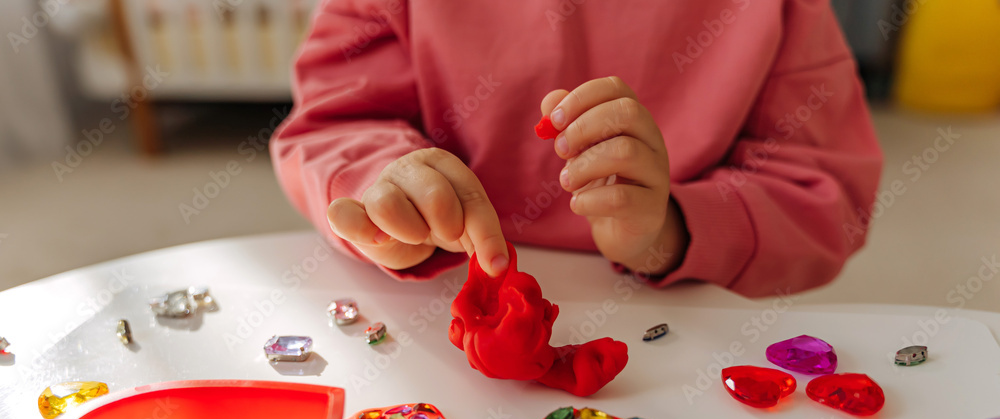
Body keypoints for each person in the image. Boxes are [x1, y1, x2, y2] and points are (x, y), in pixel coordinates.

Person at [270, 0, 882, 297]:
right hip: (431, 314)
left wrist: (669, 229)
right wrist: (389, 188)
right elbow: (333, 124)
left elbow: (826, 197)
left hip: (682, 319)